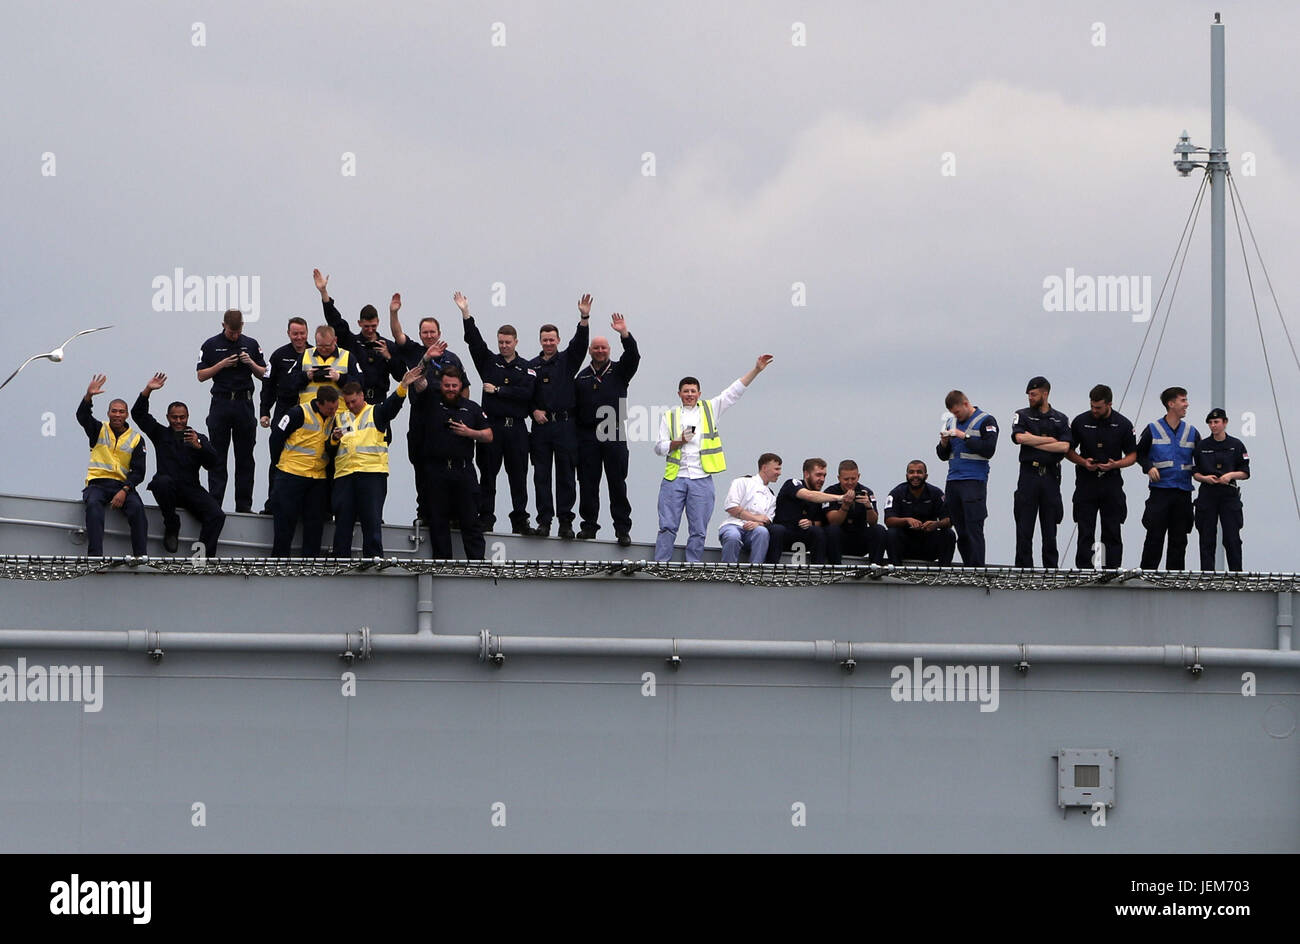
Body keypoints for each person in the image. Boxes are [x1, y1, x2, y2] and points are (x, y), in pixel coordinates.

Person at [653, 355, 774, 562]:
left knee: (699, 528)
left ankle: (693, 565)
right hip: (675, 478)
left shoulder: (710, 409)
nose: (690, 395)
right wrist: (678, 441)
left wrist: (756, 370)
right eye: (686, 391)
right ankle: (660, 563)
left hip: (701, 478)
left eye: (693, 391)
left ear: (699, 393)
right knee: (667, 526)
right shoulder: (670, 416)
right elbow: (658, 447)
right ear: (679, 394)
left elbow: (734, 392)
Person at [457, 291, 537, 534]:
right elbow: (474, 342)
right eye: (500, 342)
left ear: (516, 342)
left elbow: (526, 394)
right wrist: (466, 314)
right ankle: (486, 517)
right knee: (488, 475)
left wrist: (499, 390)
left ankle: (520, 520)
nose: (503, 346)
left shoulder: (527, 367)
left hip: (517, 430)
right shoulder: (489, 363)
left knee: (518, 477)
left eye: (508, 342)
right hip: (492, 428)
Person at [389, 292, 465, 525]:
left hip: (444, 421)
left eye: (432, 332)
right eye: (425, 332)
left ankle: (450, 514)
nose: (429, 335)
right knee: (421, 466)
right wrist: (394, 312)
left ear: (439, 333)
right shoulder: (413, 351)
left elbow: (465, 389)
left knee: (446, 468)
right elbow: (397, 335)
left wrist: (461, 414)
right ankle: (423, 513)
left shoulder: (452, 358)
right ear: (420, 335)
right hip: (420, 419)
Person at [330, 369, 422, 558]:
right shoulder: (340, 418)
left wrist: (403, 386)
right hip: (345, 476)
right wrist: (333, 438)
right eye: (347, 403)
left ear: (362, 396)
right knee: (343, 521)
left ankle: (373, 558)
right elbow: (330, 448)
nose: (350, 406)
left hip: (371, 474)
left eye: (353, 401)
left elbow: (393, 405)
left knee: (371, 520)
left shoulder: (376, 412)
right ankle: (340, 559)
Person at [132, 372, 225, 557]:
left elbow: (214, 464)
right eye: (174, 417)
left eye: (182, 417)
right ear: (168, 417)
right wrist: (148, 390)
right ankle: (172, 526)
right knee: (161, 482)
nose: (178, 421)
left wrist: (199, 447)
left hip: (191, 489)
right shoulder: (160, 433)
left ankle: (202, 557)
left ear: (188, 417)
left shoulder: (198, 437)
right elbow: (138, 414)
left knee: (217, 515)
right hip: (169, 489)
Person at [527, 296, 592, 538]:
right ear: (540, 341)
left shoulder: (567, 360)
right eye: (545, 340)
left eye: (552, 339)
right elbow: (525, 394)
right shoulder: (531, 366)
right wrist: (533, 410)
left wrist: (584, 318)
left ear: (558, 340)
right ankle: (544, 521)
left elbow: (580, 344)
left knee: (566, 475)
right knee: (541, 475)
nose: (548, 343)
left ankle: (566, 521)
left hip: (565, 426)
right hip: (541, 429)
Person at [574, 315, 640, 544]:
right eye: (596, 348)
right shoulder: (581, 377)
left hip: (613, 430)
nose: (600, 351)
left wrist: (624, 333)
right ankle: (589, 526)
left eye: (603, 347)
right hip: (587, 435)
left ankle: (622, 529)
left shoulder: (620, 371)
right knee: (588, 483)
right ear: (590, 351)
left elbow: (633, 356)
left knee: (617, 482)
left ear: (609, 349)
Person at [415, 366, 493, 560]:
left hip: (463, 470)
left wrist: (469, 433)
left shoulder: (472, 407)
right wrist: (427, 358)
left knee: (470, 520)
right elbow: (418, 381)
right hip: (437, 471)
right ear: (441, 385)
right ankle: (442, 564)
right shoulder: (430, 402)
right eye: (447, 385)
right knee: (438, 521)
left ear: (461, 386)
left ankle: (477, 564)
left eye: (454, 386)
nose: (450, 389)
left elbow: (488, 435)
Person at [196, 308, 267, 512]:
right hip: (221, 403)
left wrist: (250, 362)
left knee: (245, 458)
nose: (234, 336)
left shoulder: (251, 344)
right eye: (230, 332)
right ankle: (215, 504)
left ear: (242, 327)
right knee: (217, 456)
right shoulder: (211, 345)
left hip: (244, 404)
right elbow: (201, 375)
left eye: (237, 332)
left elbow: (265, 374)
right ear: (223, 326)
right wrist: (222, 364)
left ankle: (244, 506)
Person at [1064, 384, 1137, 569]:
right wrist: (1083, 462)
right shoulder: (1080, 422)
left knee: (1112, 529)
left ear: (1109, 404)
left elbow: (1133, 455)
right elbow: (1067, 450)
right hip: (1086, 482)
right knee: (1085, 529)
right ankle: (1085, 569)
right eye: (1092, 407)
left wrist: (1116, 464)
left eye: (1098, 407)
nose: (1094, 410)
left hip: (1111, 482)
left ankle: (1111, 569)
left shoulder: (1123, 424)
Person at [77, 374, 148, 556]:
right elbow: (82, 416)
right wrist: (88, 396)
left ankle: (140, 556)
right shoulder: (99, 429)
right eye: (114, 411)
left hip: (122, 486)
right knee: (93, 506)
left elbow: (139, 472)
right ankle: (95, 557)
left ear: (127, 414)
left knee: (138, 509)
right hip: (97, 484)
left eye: (121, 411)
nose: (117, 415)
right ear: (108, 413)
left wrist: (124, 490)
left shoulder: (136, 438)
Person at [315, 269, 404, 406]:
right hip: (354, 402)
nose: (370, 330)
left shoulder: (388, 346)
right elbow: (336, 322)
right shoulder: (352, 342)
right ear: (359, 323)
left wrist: (388, 357)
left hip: (379, 402)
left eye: (373, 326)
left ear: (378, 322)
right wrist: (324, 293)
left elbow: (400, 376)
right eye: (366, 326)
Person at [270, 386, 340, 557]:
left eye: (336, 407)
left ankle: (310, 567)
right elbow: (276, 438)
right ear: (320, 403)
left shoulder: (334, 419)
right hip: (291, 474)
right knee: (285, 524)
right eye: (330, 408)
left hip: (317, 478)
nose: (333, 411)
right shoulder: (297, 413)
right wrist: (280, 463)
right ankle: (278, 565)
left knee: (315, 526)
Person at [1010, 376, 1072, 568]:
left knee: (1050, 529)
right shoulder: (1022, 415)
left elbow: (1064, 447)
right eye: (1029, 394)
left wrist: (1034, 439)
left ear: (1045, 394)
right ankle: (1024, 570)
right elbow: (1020, 438)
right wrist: (1050, 441)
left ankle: (1051, 569)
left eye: (1034, 394)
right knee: (1024, 528)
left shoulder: (1060, 419)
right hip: (1029, 475)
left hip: (1050, 477)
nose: (1030, 397)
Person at [1137, 386, 1200, 570]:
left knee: (1179, 539)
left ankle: (1175, 579)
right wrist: (1148, 467)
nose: (1186, 404)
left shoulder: (1192, 432)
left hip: (1183, 492)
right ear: (1170, 404)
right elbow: (1139, 454)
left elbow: (1202, 457)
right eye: (1183, 400)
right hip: (1160, 492)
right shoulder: (1152, 429)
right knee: (1154, 536)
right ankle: (1147, 575)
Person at [936, 390, 998, 566]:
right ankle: (967, 566)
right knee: (960, 529)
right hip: (953, 481)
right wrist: (944, 443)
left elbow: (989, 449)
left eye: (957, 412)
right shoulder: (951, 422)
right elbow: (942, 455)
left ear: (965, 404)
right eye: (953, 413)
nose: (956, 416)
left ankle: (977, 568)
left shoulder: (986, 421)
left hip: (974, 481)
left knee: (974, 528)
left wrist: (965, 436)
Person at [258, 317, 310, 514]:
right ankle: (273, 503)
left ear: (307, 333)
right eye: (295, 333)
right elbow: (268, 386)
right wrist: (264, 412)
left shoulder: (314, 354)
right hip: (283, 409)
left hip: (307, 412)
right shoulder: (279, 355)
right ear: (288, 334)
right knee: (277, 457)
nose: (299, 337)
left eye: (302, 333)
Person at [1194, 407, 1250, 571]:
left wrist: (1230, 475)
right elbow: (1195, 471)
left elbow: (1246, 472)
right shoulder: (1202, 445)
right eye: (1211, 423)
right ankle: (1207, 575)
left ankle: (1236, 575)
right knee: (1207, 537)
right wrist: (1204, 478)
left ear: (1225, 423)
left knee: (1232, 538)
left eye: (1216, 422)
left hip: (1228, 493)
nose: (1213, 426)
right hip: (1208, 493)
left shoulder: (1236, 445)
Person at [768, 457, 853, 564]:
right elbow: (808, 495)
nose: (822, 479)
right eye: (818, 475)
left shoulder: (820, 498)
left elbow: (820, 522)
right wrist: (840, 497)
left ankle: (818, 571)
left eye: (824, 475)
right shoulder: (792, 483)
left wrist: (811, 523)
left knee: (818, 532)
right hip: (785, 533)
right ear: (806, 474)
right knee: (777, 530)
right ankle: (770, 568)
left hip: (803, 536)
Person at [883, 460, 956, 565]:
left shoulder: (936, 493)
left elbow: (949, 520)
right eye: (911, 472)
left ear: (926, 476)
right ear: (907, 475)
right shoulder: (896, 493)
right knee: (891, 533)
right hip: (905, 546)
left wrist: (936, 524)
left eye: (919, 472)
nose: (915, 475)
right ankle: (896, 570)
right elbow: (888, 521)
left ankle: (944, 571)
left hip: (928, 545)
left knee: (949, 534)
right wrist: (907, 520)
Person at [718, 453, 782, 564]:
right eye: (776, 469)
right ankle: (728, 571)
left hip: (754, 530)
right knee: (733, 536)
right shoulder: (741, 482)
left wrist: (757, 524)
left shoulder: (771, 497)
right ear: (764, 468)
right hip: (734, 524)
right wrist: (756, 518)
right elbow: (731, 507)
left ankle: (755, 571)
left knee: (762, 532)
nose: (779, 473)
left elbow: (767, 520)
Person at [823, 459, 888, 564]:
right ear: (839, 478)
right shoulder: (830, 492)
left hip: (859, 538)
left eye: (853, 479)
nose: (850, 482)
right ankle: (836, 567)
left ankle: (875, 567)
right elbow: (833, 521)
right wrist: (845, 506)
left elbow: (873, 522)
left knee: (879, 530)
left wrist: (868, 507)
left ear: (858, 476)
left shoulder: (866, 492)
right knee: (832, 530)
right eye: (846, 479)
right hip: (839, 540)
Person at [296, 324, 361, 405]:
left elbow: (360, 383)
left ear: (335, 340)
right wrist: (306, 376)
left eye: (327, 346)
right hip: (309, 413)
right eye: (320, 346)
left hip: (339, 413)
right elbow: (288, 382)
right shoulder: (305, 355)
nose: (323, 349)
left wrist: (339, 378)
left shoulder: (347, 357)